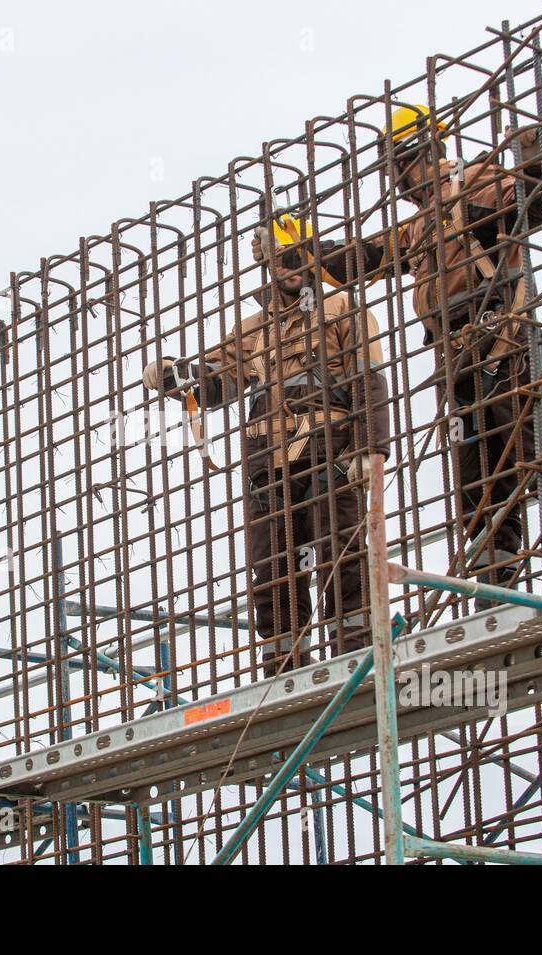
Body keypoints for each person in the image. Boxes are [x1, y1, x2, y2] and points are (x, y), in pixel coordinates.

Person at [264, 103, 542, 607]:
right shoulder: (420, 225)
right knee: (481, 481)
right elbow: (364, 259)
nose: (392, 180)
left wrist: (534, 162)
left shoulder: (472, 183)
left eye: (392, 167)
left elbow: (536, 207)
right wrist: (305, 249)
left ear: (414, 156)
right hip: (458, 361)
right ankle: (497, 591)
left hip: (505, 344)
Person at [143, 218, 392, 676]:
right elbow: (220, 384)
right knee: (271, 559)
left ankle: (354, 644)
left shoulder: (343, 309)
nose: (289, 268)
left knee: (342, 546)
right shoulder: (254, 327)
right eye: (279, 261)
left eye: (296, 257)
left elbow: (369, 383)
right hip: (266, 460)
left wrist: (369, 449)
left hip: (327, 448)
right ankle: (282, 654)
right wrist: (179, 379)